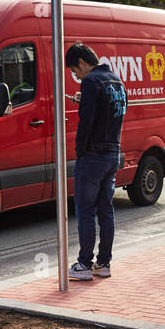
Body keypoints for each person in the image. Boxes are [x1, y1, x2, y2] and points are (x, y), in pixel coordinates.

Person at [65, 43, 126, 281]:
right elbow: (112, 113)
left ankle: (84, 264)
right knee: (106, 210)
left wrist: (80, 152)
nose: (76, 76)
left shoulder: (90, 82)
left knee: (85, 210)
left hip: (93, 155)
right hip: (113, 153)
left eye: (74, 70)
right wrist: (86, 100)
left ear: (81, 62)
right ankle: (104, 263)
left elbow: (86, 122)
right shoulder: (117, 81)